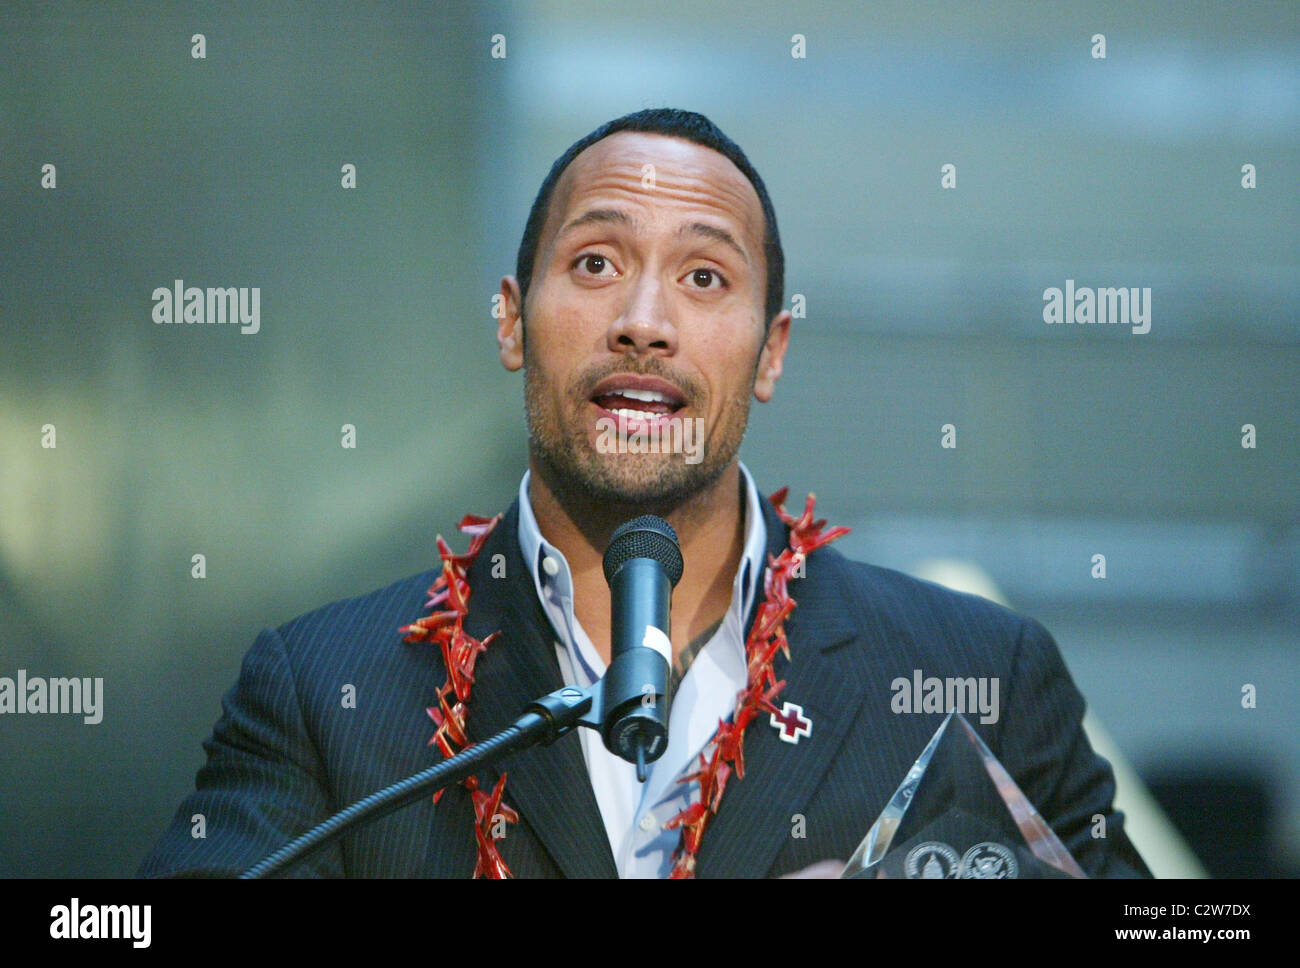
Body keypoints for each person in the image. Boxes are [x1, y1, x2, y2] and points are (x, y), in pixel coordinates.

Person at [139, 107, 1151, 879]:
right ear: (510, 322)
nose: (643, 320)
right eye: (593, 262)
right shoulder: (323, 689)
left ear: (771, 350)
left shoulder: (977, 669)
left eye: (705, 278)